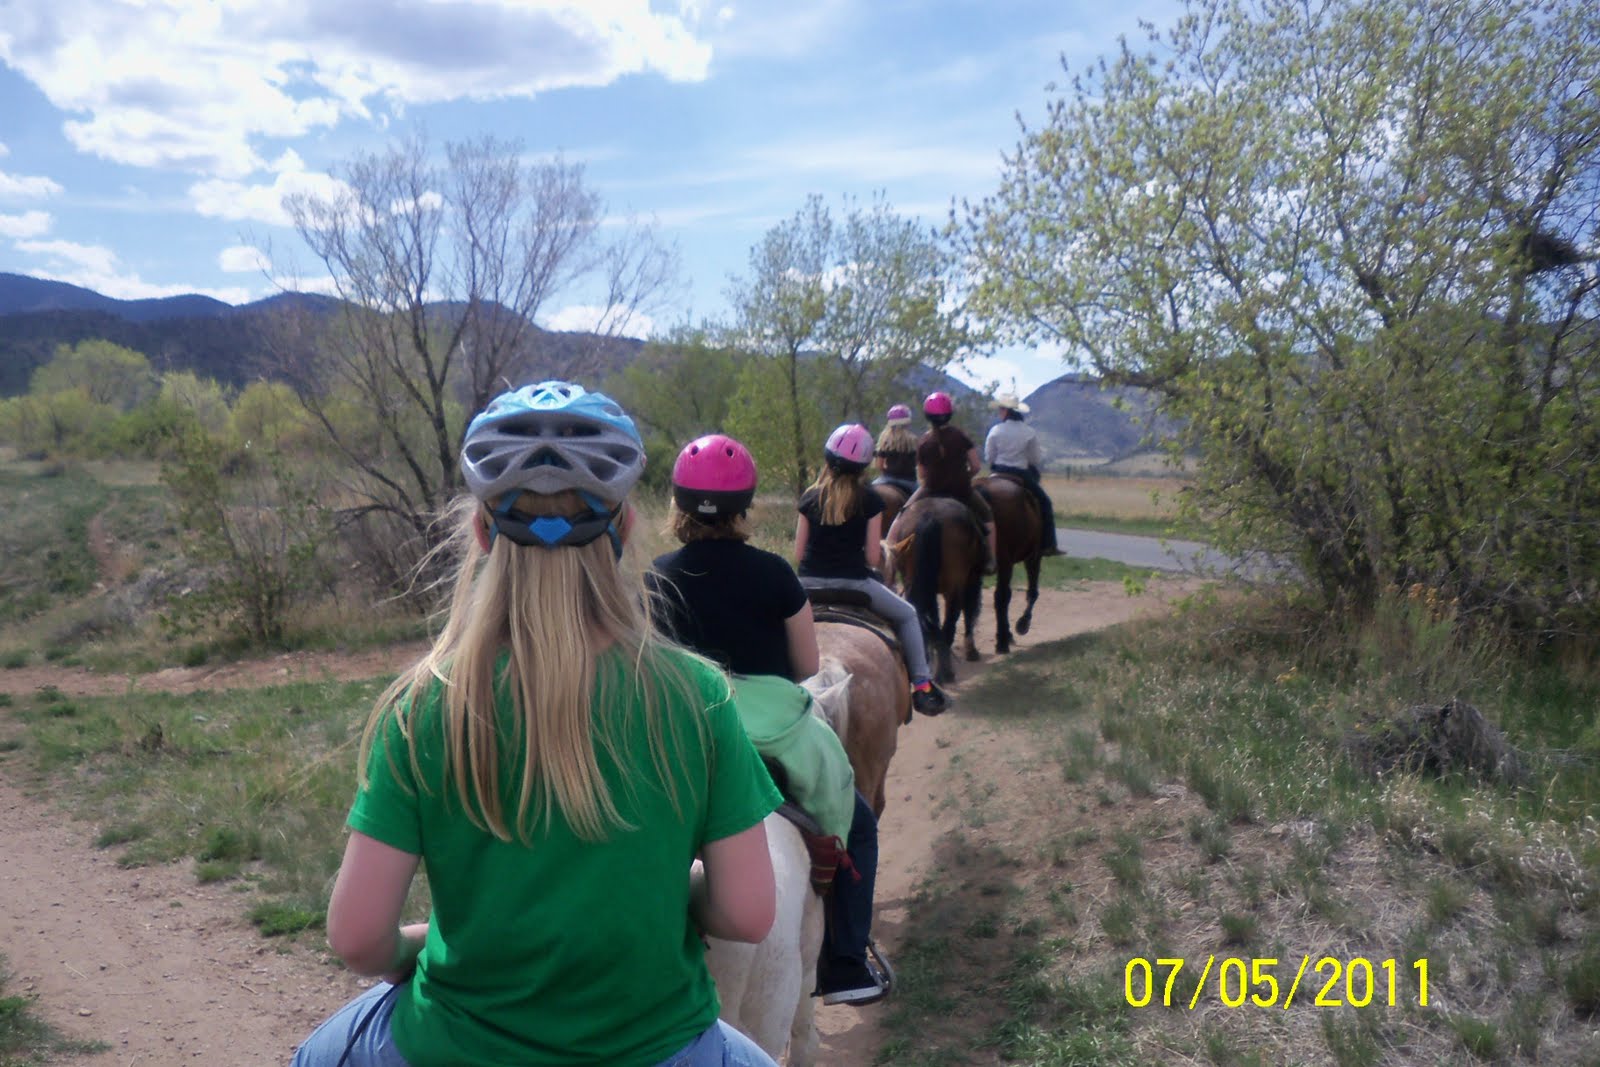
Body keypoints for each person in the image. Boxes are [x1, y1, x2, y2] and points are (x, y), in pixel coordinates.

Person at [290, 383, 783, 1067]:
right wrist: (676, 884)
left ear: (482, 532)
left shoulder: (426, 704)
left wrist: (417, 943)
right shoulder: (700, 696)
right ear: (628, 528)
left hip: (452, 1045)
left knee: (315, 1056)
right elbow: (749, 913)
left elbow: (356, 937)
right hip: (659, 1046)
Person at [647, 433, 892, 1007]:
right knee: (858, 825)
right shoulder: (774, 573)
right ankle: (847, 964)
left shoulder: (655, 576)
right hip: (772, 734)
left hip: (683, 730)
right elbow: (808, 665)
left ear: (678, 505)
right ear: (746, 507)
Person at [795, 423, 950, 717]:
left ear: (828, 459)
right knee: (908, 615)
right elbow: (871, 557)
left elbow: (799, 552)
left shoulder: (808, 498)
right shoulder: (870, 500)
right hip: (855, 584)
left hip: (806, 586)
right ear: (864, 466)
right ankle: (922, 684)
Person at [902, 391, 998, 574]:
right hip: (961, 490)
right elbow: (976, 466)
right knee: (988, 516)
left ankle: (893, 549)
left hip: (930, 490)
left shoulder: (924, 441)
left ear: (927, 416)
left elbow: (921, 473)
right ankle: (991, 559)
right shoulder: (960, 436)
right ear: (949, 414)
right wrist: (964, 477)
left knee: (903, 515)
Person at [984, 393, 1062, 556]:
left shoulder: (995, 430)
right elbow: (1035, 459)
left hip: (998, 471)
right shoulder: (1028, 432)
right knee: (1045, 503)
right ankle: (1048, 544)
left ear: (1005, 411)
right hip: (1021, 473)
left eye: (1001, 409)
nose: (1000, 412)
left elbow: (989, 456)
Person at [872, 403, 918, 496]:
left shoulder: (885, 440)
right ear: (907, 422)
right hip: (909, 481)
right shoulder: (913, 441)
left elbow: (879, 465)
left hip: (886, 479)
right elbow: (917, 463)